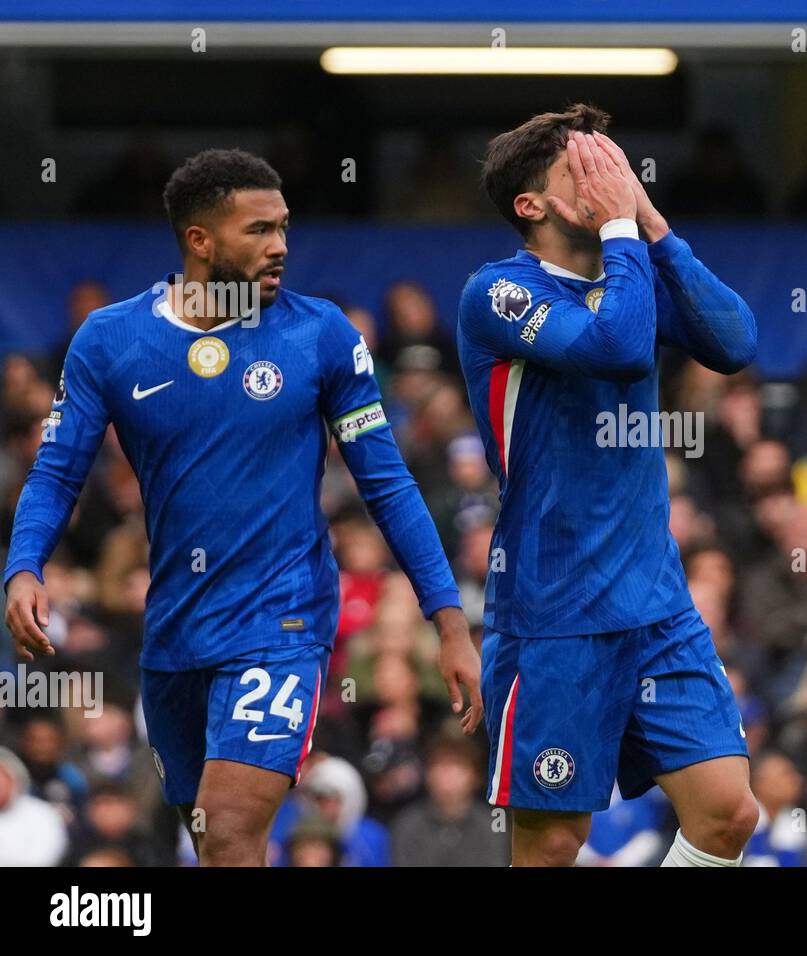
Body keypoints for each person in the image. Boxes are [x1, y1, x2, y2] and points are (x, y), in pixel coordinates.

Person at [3, 148, 481, 866]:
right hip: (174, 632)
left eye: (284, 227)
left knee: (227, 829)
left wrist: (447, 618)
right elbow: (56, 472)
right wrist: (24, 565)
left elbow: (387, 483)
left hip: (281, 622)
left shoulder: (319, 335)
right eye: (259, 230)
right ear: (199, 240)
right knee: (212, 842)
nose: (281, 245)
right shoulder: (110, 341)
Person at [458, 104, 760, 866]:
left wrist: (652, 226)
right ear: (532, 205)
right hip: (553, 611)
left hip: (657, 602)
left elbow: (736, 342)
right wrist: (625, 235)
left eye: (615, 165)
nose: (612, 182)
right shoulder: (496, 293)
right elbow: (618, 347)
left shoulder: (632, 265)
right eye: (585, 171)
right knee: (555, 841)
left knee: (727, 814)